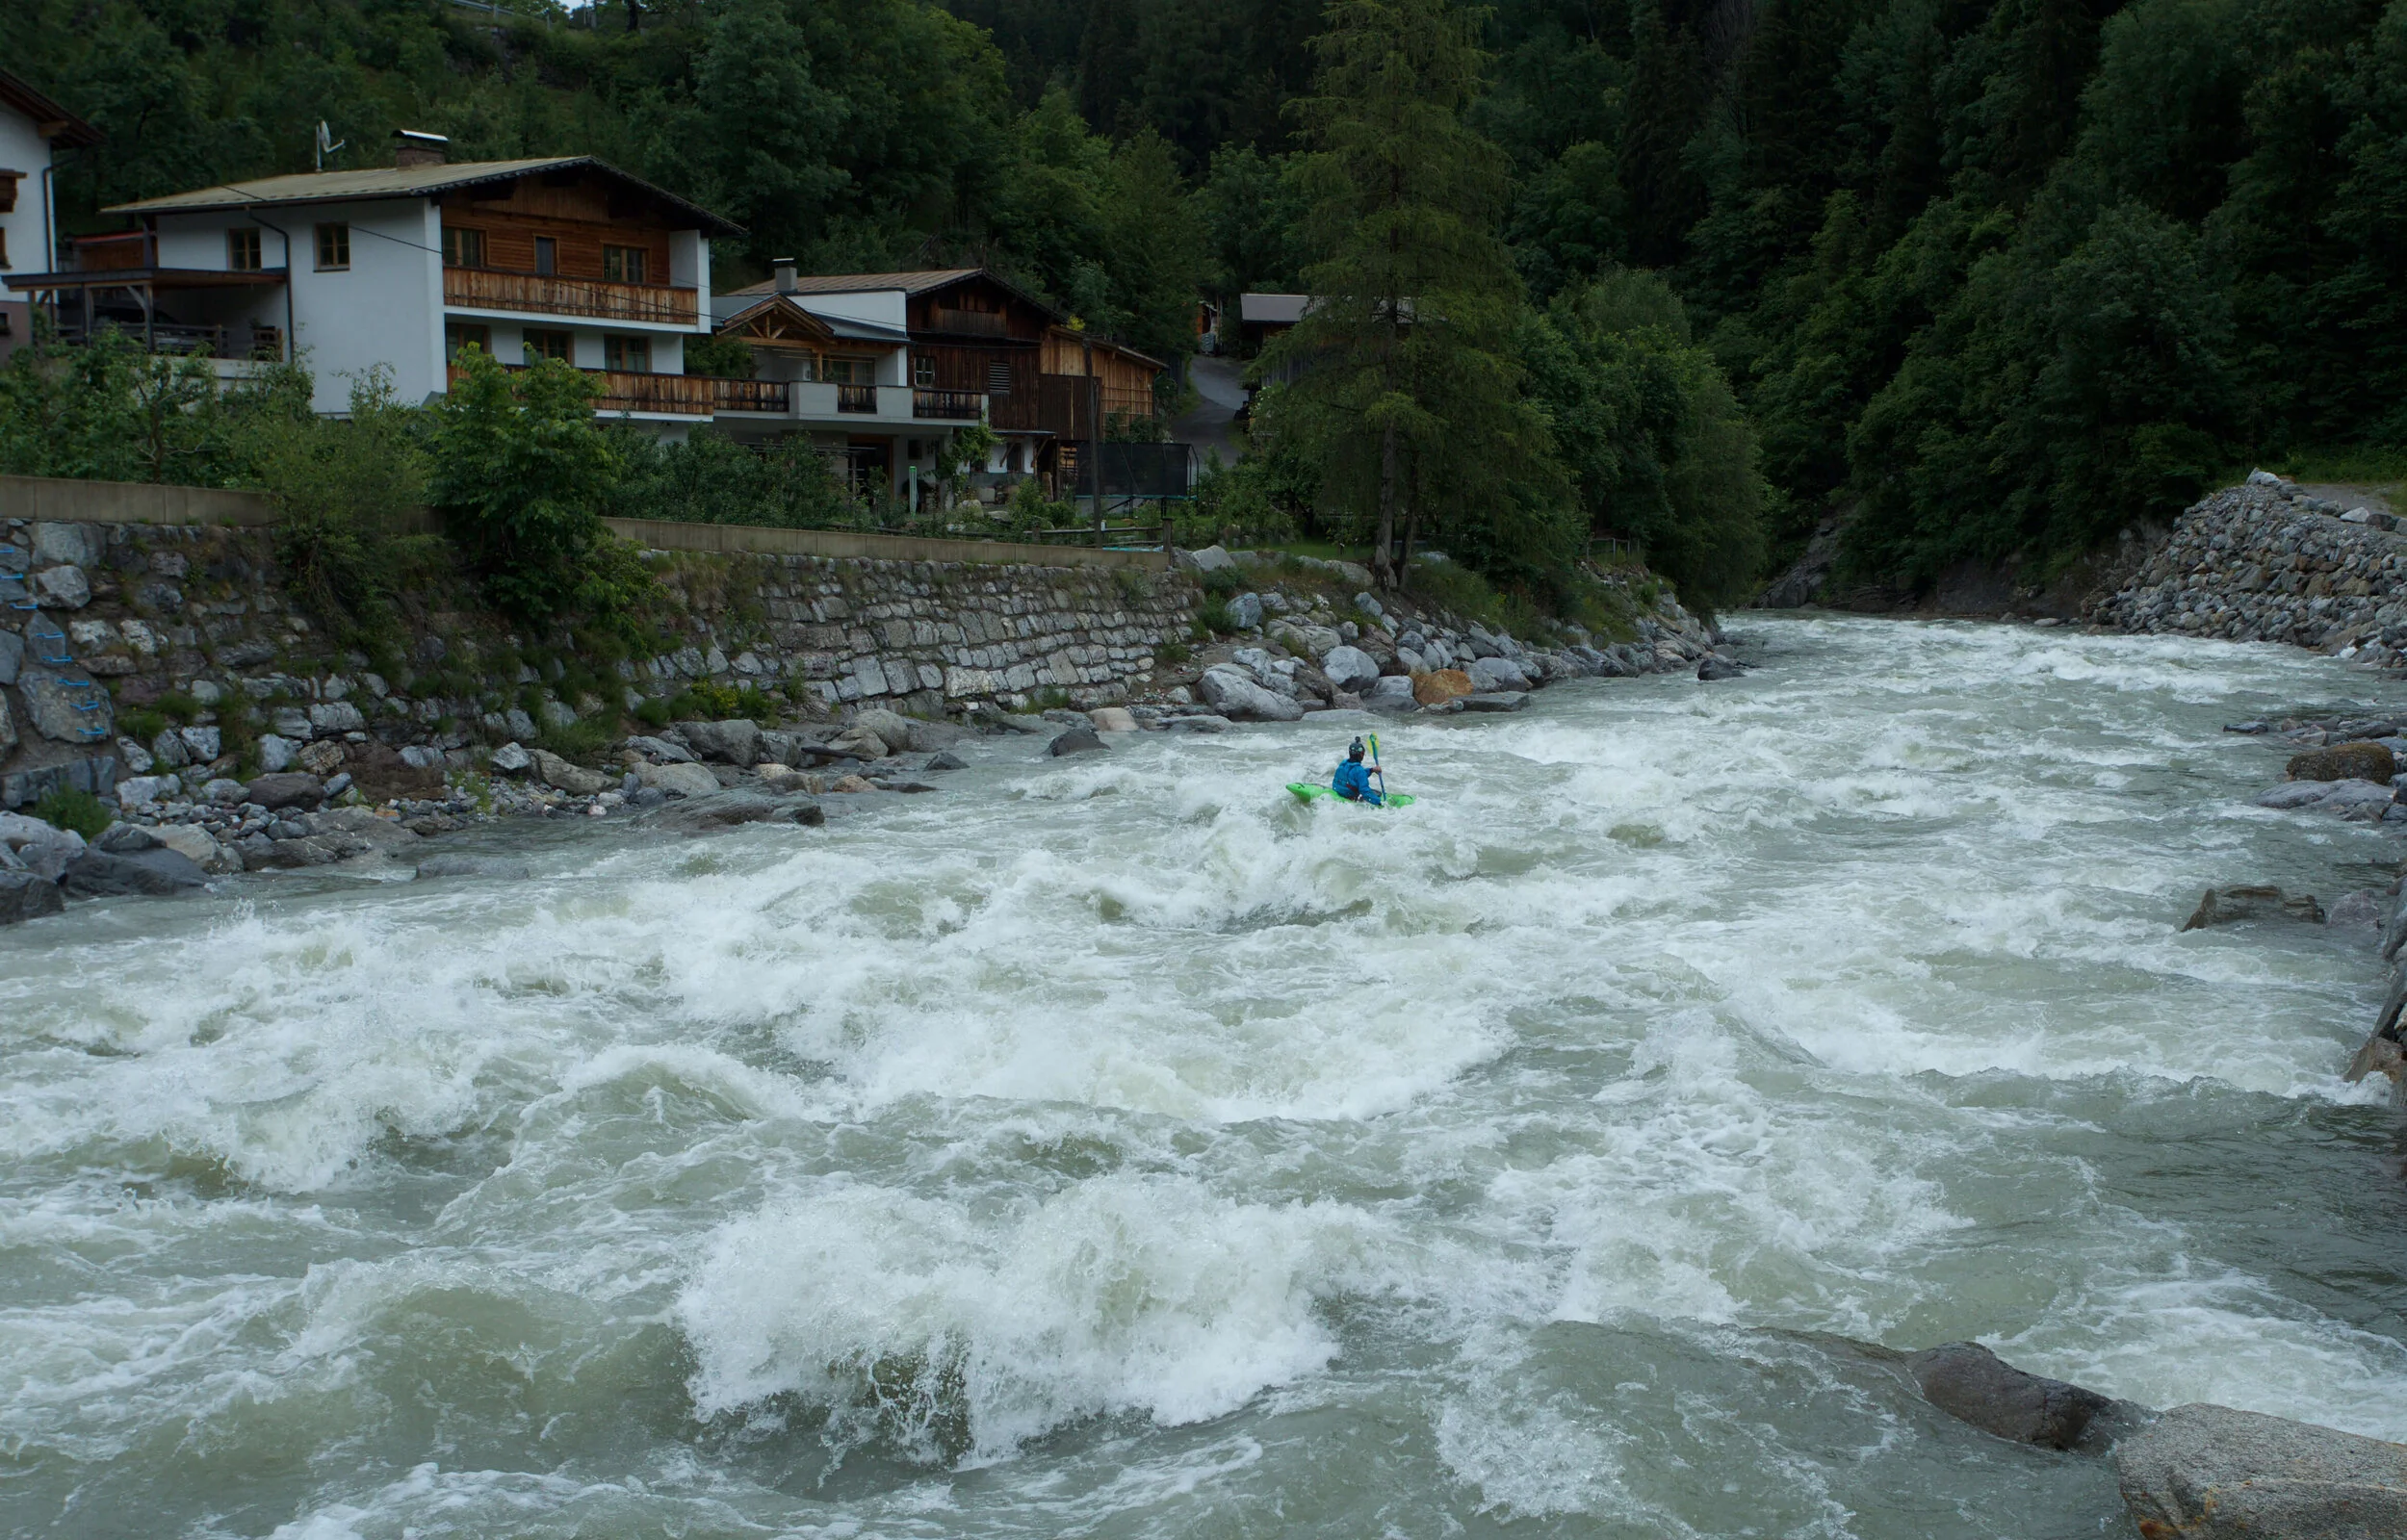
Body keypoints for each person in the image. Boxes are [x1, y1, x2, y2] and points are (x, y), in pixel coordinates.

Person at [1332, 737, 1384, 805]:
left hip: (1339, 791)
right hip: (1350, 796)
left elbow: (1355, 775)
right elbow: (1365, 792)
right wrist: (1379, 803)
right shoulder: (1359, 770)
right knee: (1376, 794)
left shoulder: (1344, 763)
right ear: (1361, 755)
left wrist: (1371, 770)